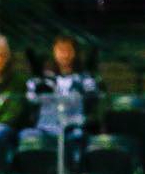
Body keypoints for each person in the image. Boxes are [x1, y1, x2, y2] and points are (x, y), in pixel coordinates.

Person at [25, 35, 99, 165]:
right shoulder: (43, 78)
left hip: (74, 127)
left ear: (75, 52)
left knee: (77, 137)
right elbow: (31, 98)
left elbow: (93, 100)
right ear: (54, 52)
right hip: (46, 128)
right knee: (27, 136)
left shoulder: (85, 78)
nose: (64, 55)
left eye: (68, 50)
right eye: (61, 50)